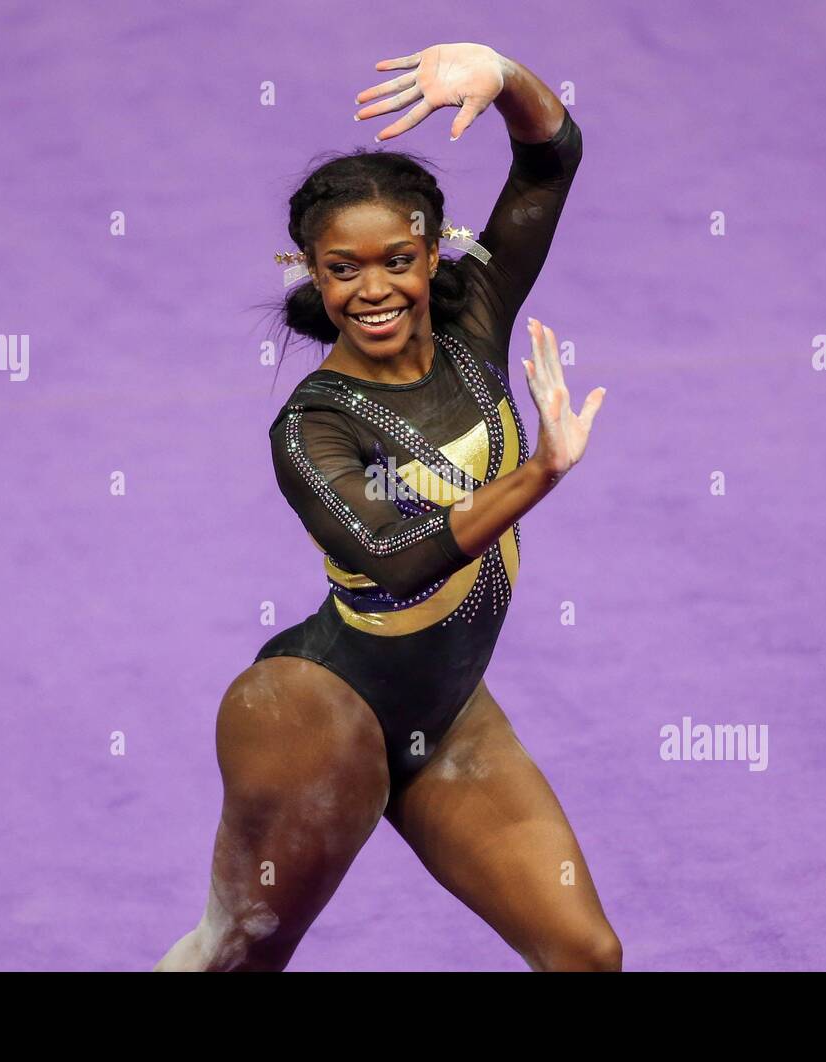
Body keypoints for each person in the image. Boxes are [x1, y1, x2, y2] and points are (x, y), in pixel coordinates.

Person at [156, 42, 618, 972]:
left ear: (431, 250)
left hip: (447, 710)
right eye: (342, 269)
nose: (372, 290)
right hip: (314, 712)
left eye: (396, 260)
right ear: (314, 275)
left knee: (586, 955)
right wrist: (541, 475)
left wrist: (501, 73)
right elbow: (399, 558)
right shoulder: (310, 427)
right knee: (236, 961)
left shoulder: (473, 316)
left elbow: (550, 158)